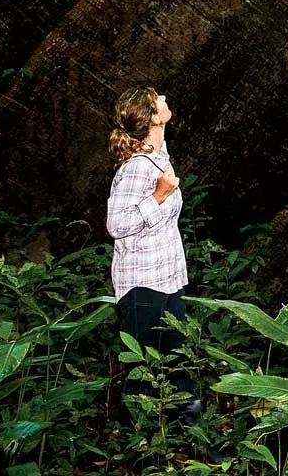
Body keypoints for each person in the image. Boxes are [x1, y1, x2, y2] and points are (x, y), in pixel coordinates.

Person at [104, 86, 199, 416]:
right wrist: (157, 196)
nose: (165, 98)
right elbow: (115, 225)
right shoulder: (136, 168)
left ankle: (190, 442)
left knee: (180, 366)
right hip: (142, 284)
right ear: (153, 117)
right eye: (158, 98)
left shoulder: (159, 156)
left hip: (169, 280)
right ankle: (138, 449)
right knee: (143, 373)